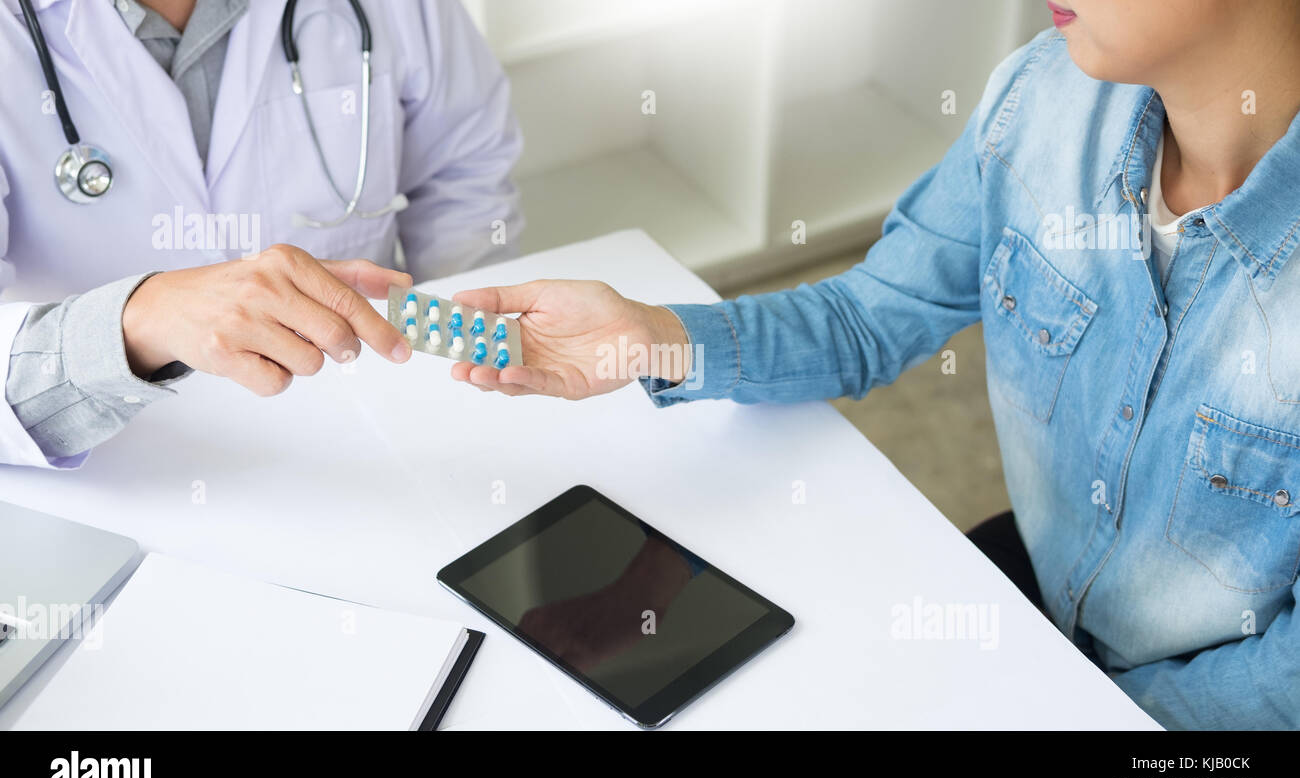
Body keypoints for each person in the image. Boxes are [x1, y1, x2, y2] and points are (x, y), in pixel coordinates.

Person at [446, 1, 1300, 730]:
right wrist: (653, 337)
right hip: (1037, 611)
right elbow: (867, 317)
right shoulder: (1042, 97)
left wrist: (1062, 707)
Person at [0, 0, 521, 467]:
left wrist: (463, 367)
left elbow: (465, 177)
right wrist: (138, 320)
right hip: (108, 478)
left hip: (375, 453)